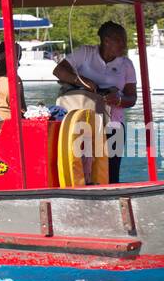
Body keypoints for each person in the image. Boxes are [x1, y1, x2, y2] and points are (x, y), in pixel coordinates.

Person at [53, 21, 137, 183]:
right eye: (120, 40)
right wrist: (81, 81)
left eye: (124, 40)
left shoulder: (126, 64)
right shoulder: (85, 53)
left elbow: (131, 98)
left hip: (113, 125)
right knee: (76, 170)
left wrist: (118, 99)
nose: (124, 44)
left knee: (110, 173)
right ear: (106, 40)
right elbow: (59, 71)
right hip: (79, 125)